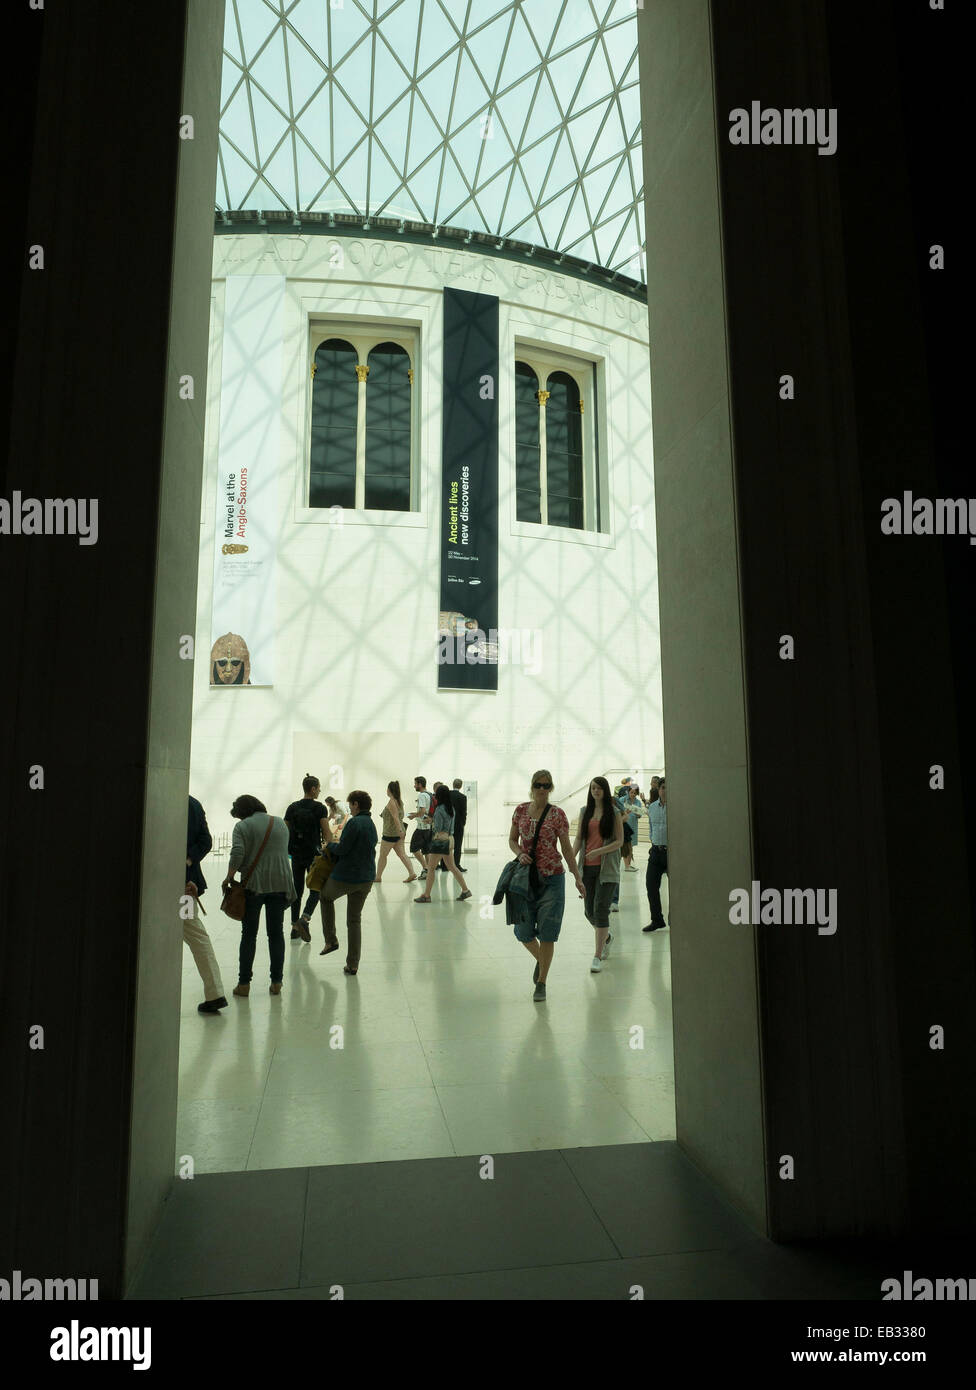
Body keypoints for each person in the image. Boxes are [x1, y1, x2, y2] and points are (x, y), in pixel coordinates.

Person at [509, 770, 585, 1002]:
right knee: (522, 932)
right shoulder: (520, 810)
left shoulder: (557, 814)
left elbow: (566, 849)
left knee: (548, 933)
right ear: (532, 786)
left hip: (552, 878)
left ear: (551, 788)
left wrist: (577, 876)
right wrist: (519, 852)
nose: (542, 789)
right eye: (538, 784)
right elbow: (512, 840)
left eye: (546, 785)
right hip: (526, 879)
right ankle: (542, 962)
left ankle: (541, 982)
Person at [222, 795, 296, 996]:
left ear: (243, 812)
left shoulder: (243, 827)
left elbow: (237, 852)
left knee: (249, 935)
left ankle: (244, 984)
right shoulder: (280, 823)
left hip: (253, 885)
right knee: (276, 934)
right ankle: (276, 982)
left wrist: (229, 876)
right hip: (281, 884)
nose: (239, 821)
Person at [318, 790, 378, 975]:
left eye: (350, 804)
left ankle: (331, 939)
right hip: (367, 878)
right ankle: (353, 964)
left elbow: (343, 849)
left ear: (356, 805)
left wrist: (330, 845)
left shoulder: (355, 823)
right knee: (354, 920)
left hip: (347, 876)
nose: (349, 808)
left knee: (325, 897)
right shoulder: (371, 823)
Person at [571, 778, 624, 972]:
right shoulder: (585, 812)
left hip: (607, 869)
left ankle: (597, 956)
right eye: (593, 788)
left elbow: (619, 841)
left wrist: (598, 852)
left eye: (599, 788)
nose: (596, 791)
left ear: (605, 790)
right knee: (589, 912)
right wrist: (571, 858)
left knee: (601, 911)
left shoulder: (614, 813)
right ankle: (607, 937)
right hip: (587, 869)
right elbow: (578, 838)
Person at [184, 795, 227, 1014]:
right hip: (185, 886)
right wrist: (188, 862)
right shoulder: (193, 804)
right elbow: (206, 840)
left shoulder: (155, 795)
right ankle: (215, 992)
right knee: (196, 935)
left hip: (159, 887)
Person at [284, 774, 331, 941]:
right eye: (318, 788)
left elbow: (285, 831)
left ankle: (294, 928)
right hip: (314, 854)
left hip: (296, 854)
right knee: (316, 888)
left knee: (297, 890)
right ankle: (304, 918)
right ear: (313, 789)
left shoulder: (292, 807)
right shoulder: (319, 808)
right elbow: (326, 833)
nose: (319, 791)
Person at [414, 784, 471, 903]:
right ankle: (465, 890)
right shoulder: (451, 808)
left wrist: (430, 822)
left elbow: (438, 828)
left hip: (440, 841)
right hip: (450, 839)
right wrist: (433, 820)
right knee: (453, 867)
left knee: (430, 868)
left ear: (439, 796)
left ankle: (426, 895)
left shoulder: (439, 809)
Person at [374, 780, 416, 883]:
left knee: (383, 855)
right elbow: (399, 816)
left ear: (389, 790)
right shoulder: (399, 801)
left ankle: (378, 877)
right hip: (399, 833)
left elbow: (396, 818)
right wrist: (401, 832)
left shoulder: (392, 802)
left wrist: (400, 831)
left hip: (390, 833)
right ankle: (412, 873)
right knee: (402, 854)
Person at [644, 777, 669, 932]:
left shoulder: (677, 806)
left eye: (668, 787)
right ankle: (657, 920)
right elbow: (651, 827)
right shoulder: (652, 807)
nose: (665, 790)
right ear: (658, 789)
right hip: (655, 852)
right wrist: (652, 841)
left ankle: (676, 918)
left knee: (678, 889)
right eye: (663, 787)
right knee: (651, 886)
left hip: (673, 852)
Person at [407, 775, 433, 877]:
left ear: (420, 784)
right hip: (428, 827)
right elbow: (425, 811)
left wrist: (413, 816)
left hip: (422, 828)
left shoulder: (422, 795)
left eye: (415, 784)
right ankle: (429, 872)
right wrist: (415, 814)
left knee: (414, 848)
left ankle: (426, 867)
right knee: (426, 850)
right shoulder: (429, 794)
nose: (414, 786)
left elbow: (422, 812)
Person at [620, 784, 644, 870]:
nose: (633, 794)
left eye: (635, 793)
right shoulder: (622, 800)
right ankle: (627, 865)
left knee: (630, 846)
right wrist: (624, 812)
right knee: (624, 846)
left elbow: (640, 815)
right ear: (628, 792)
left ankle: (628, 865)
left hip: (633, 826)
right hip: (623, 825)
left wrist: (638, 814)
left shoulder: (638, 802)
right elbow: (617, 812)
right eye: (631, 792)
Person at [450, 778, 468, 869]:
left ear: (453, 784)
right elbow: (464, 812)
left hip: (448, 824)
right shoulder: (463, 797)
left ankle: (444, 865)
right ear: (460, 786)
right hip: (458, 825)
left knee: (446, 844)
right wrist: (463, 823)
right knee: (458, 845)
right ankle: (456, 865)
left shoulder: (447, 795)